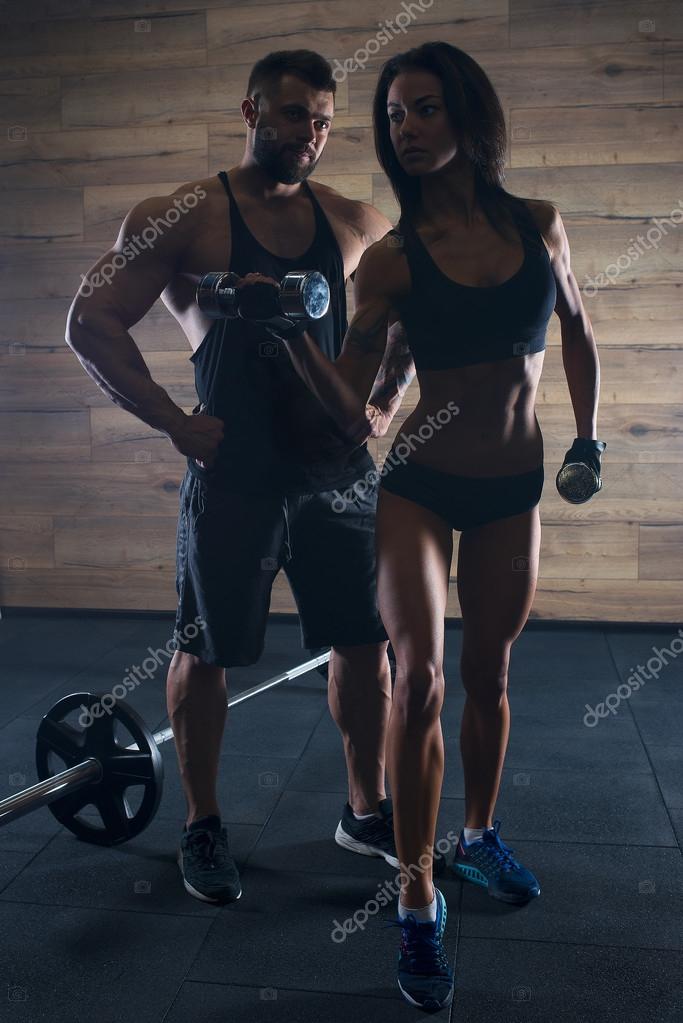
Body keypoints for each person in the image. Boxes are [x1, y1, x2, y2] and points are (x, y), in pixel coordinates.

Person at [244, 42, 605, 1013]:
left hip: (513, 484)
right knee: (420, 676)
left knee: (487, 676)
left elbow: (574, 328)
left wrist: (589, 440)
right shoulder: (394, 260)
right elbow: (354, 404)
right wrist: (290, 338)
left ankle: (478, 836)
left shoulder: (538, 227)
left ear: (466, 117)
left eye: (424, 109)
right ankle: (413, 896)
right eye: (395, 114)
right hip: (418, 484)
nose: (405, 127)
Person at [65, 51, 418, 907]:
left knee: (366, 650)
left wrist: (383, 403)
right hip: (235, 478)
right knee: (206, 650)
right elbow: (92, 320)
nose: (311, 134)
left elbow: (412, 320)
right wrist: (174, 422)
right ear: (251, 110)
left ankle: (363, 808)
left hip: (337, 476)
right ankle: (203, 821)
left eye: (324, 120)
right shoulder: (185, 216)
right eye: (294, 115)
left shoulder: (358, 222)